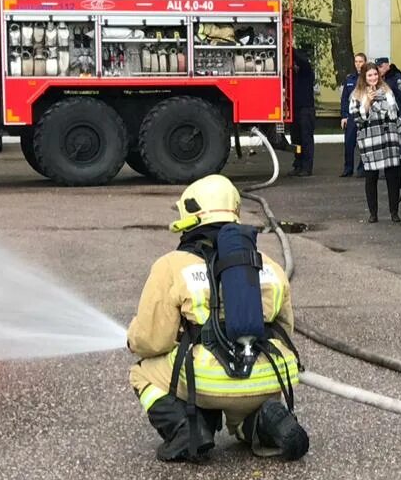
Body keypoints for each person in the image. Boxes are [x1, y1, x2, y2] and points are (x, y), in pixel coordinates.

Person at [127, 174, 308, 463]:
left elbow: (152, 340)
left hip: (208, 380)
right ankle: (263, 422)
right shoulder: (266, 264)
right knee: (247, 411)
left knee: (141, 372)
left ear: (192, 216)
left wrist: (134, 338)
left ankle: (189, 428)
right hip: (267, 378)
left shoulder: (173, 265)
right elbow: (285, 329)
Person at [349, 62, 401, 223]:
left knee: (392, 176)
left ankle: (394, 212)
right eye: (369, 75)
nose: (373, 78)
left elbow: (394, 113)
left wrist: (379, 103)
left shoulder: (387, 91)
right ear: (364, 77)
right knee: (371, 177)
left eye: (375, 74)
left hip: (389, 137)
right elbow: (358, 120)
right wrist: (368, 102)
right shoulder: (357, 94)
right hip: (370, 139)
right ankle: (373, 213)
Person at [289, 48, 316, 177]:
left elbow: (302, 61)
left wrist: (289, 48)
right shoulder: (293, 75)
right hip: (295, 109)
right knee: (296, 138)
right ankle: (298, 164)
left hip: (306, 109)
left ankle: (307, 167)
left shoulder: (306, 71)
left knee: (306, 139)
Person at [339, 51, 366, 177]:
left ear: (365, 62)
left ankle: (362, 169)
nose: (358, 64)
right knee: (349, 143)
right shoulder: (350, 79)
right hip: (351, 116)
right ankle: (348, 168)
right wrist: (344, 115)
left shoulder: (369, 78)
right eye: (356, 61)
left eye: (360, 61)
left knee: (364, 143)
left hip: (364, 115)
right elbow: (345, 99)